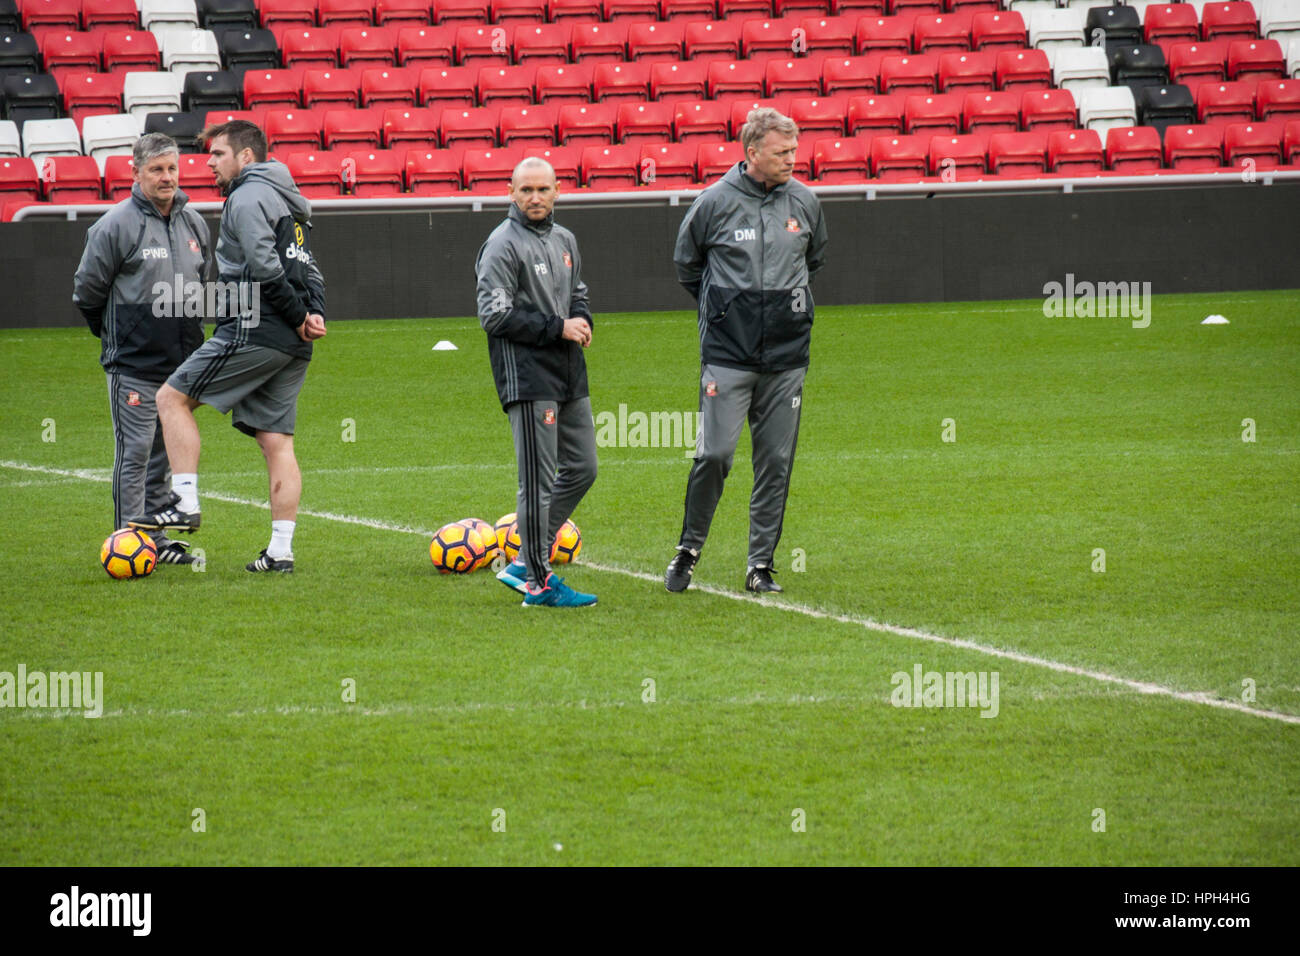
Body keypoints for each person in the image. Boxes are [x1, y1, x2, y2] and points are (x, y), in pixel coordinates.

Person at [129, 120, 326, 573]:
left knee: (170, 398)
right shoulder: (294, 201)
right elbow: (310, 268)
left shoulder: (247, 195)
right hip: (294, 342)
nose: (209, 163)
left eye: (218, 154)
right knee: (276, 440)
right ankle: (280, 552)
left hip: (254, 327)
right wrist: (313, 313)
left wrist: (296, 315)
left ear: (246, 157)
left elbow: (262, 263)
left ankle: (184, 502)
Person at [665, 108, 828, 595]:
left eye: (794, 151)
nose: (792, 160)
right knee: (714, 454)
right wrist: (725, 312)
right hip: (727, 355)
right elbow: (686, 265)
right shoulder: (714, 202)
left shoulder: (805, 201)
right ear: (752, 152)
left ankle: (760, 565)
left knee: (775, 462)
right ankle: (688, 551)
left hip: (787, 357)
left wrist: (788, 313)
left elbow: (813, 260)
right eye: (782, 152)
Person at [73, 132, 210, 566]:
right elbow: (87, 290)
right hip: (132, 364)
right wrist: (115, 335)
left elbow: (201, 287)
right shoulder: (115, 225)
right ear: (136, 172)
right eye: (156, 169)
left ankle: (161, 540)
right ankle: (130, 541)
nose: (166, 177)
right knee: (134, 452)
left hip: (181, 366)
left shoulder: (195, 223)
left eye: (172, 168)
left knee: (163, 456)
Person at [475, 156, 598, 608]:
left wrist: (581, 318)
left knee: (584, 467)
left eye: (543, 189)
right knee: (538, 481)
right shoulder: (502, 244)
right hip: (527, 376)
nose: (534, 198)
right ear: (511, 193)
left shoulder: (565, 239)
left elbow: (577, 292)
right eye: (525, 190)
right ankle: (538, 584)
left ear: (557, 191)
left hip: (568, 372)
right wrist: (557, 327)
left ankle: (525, 560)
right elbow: (494, 315)